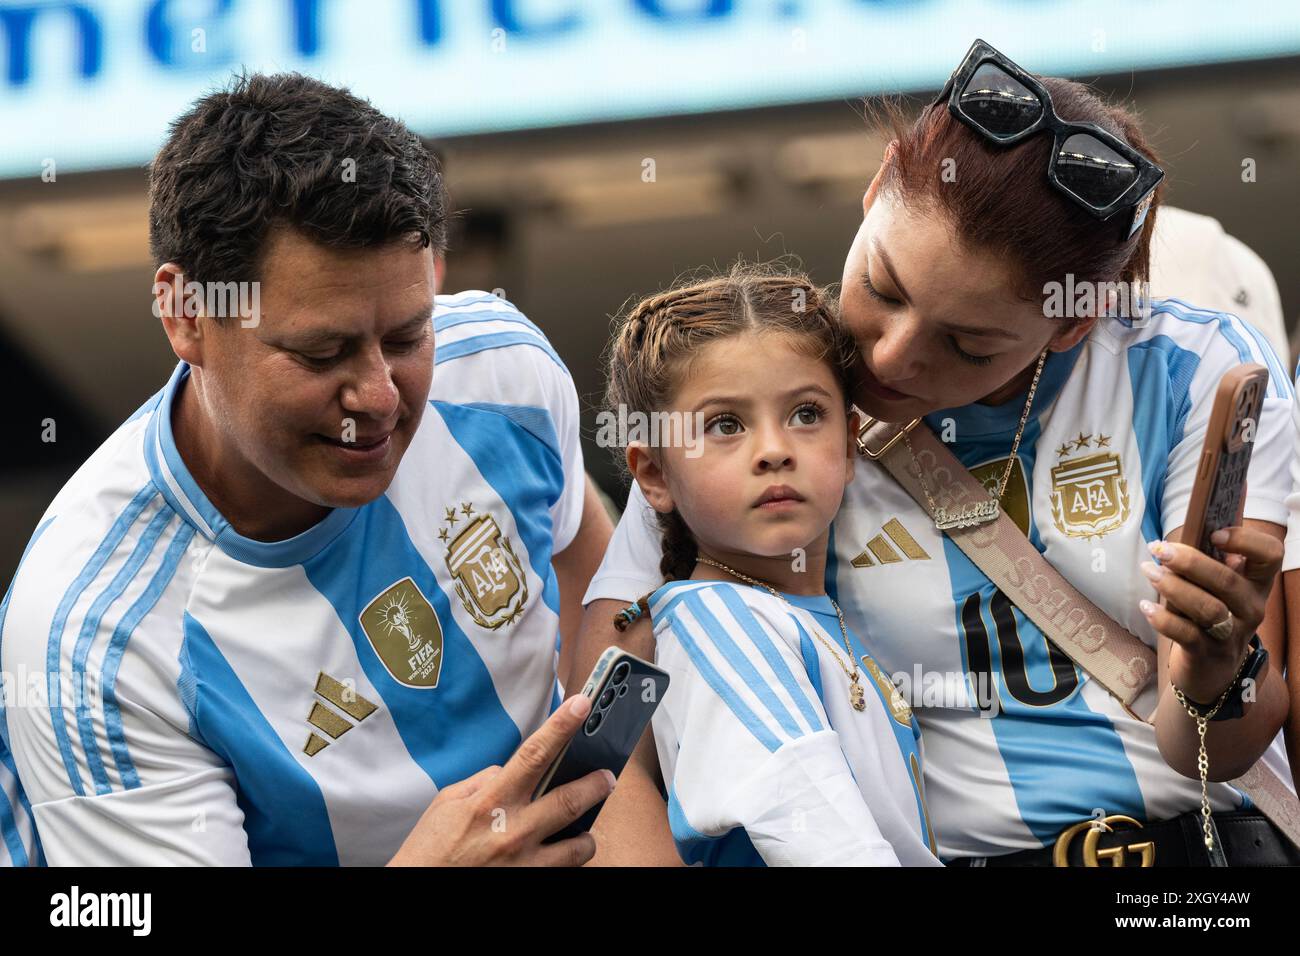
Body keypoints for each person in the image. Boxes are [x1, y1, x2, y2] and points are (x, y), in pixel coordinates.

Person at [578, 39, 1297, 866]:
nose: (887, 358)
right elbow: (610, 729)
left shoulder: (1195, 369)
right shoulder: (757, 390)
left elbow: (1210, 748)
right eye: (882, 287)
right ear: (878, 183)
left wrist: (1218, 668)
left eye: (966, 343)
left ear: (1074, 320)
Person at [0, 72, 615, 867]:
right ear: (186, 315)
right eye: (321, 352)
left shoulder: (500, 366)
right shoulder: (92, 637)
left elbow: (600, 580)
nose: (379, 397)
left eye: (405, 337)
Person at [603, 264, 940, 865]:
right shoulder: (717, 622)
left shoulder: (802, 618)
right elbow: (827, 845)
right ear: (654, 473)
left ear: (849, 442)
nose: (775, 451)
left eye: (807, 414)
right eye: (725, 425)